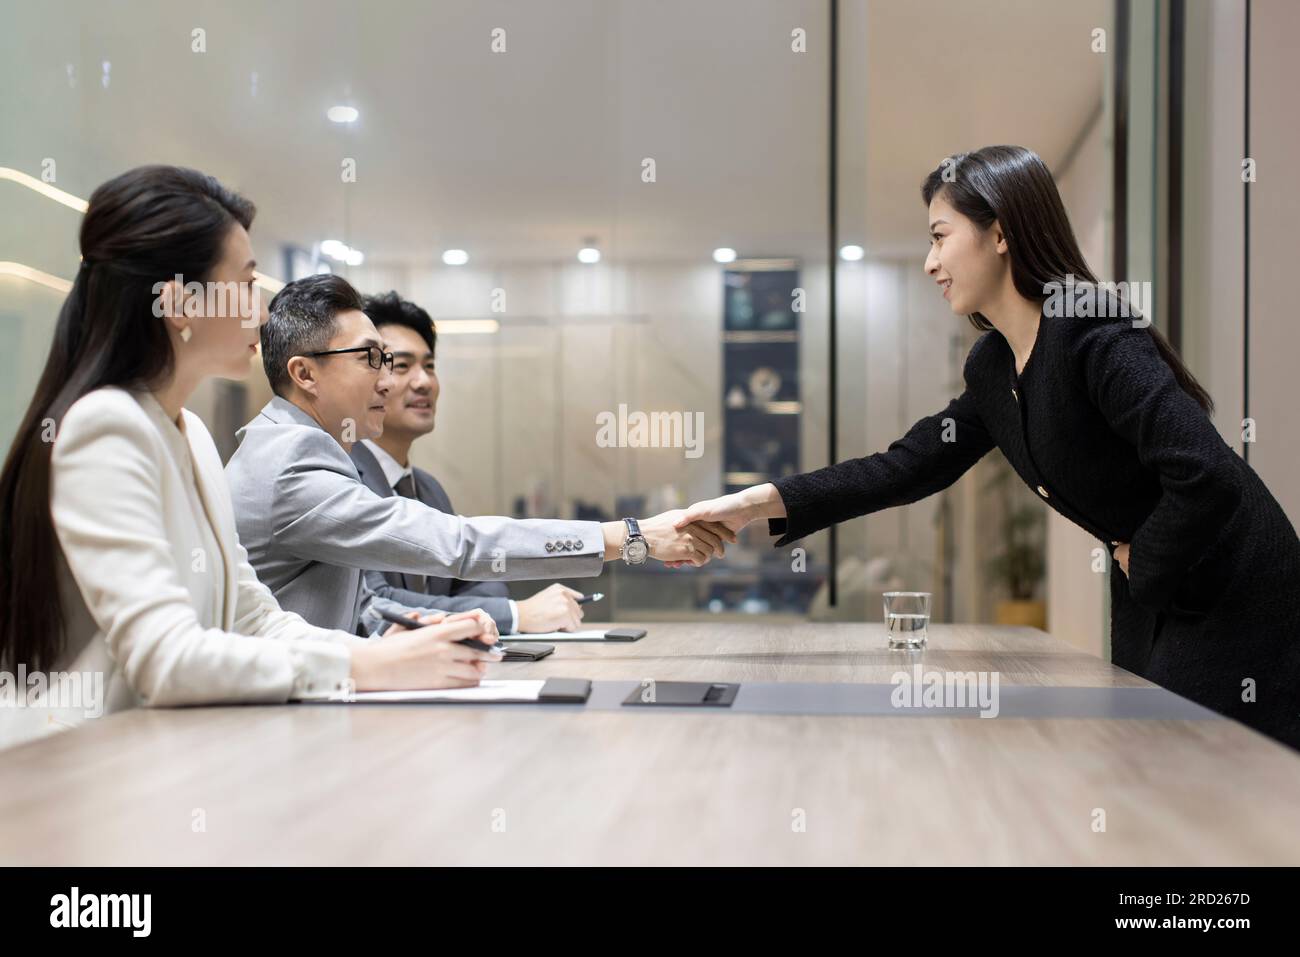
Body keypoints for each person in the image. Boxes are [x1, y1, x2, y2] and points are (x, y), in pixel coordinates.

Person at [676, 145, 1300, 752]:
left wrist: (1145, 557)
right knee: (1155, 766)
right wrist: (762, 501)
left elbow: (1208, 472)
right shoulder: (996, 364)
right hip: (1163, 593)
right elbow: (909, 465)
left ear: (1000, 233)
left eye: (940, 236)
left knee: (1211, 778)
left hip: (1236, 587)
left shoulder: (1090, 331)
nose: (930, 262)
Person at [0, 166, 498, 745]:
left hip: (161, 761)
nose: (261, 315)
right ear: (181, 306)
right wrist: (364, 668)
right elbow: (166, 660)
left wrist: (381, 653)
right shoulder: (104, 427)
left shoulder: (191, 436)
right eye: (244, 284)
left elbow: (253, 619)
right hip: (74, 775)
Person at [225, 274, 727, 636]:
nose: (388, 379)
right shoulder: (294, 459)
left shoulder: (293, 445)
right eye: (372, 359)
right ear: (304, 374)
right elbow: (457, 544)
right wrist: (630, 537)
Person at [349, 291, 587, 635]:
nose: (424, 382)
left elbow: (478, 581)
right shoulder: (344, 478)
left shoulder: (428, 488)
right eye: (401, 366)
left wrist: (498, 609)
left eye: (429, 366)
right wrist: (515, 614)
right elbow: (377, 601)